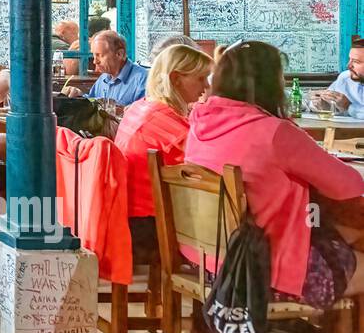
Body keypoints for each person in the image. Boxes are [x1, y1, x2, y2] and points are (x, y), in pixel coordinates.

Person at [186, 41, 364, 309]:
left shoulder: (199, 122)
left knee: (345, 231)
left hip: (210, 261)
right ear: (270, 83)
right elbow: (349, 186)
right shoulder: (274, 132)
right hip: (267, 270)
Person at [113, 44, 213, 262]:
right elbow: (207, 166)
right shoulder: (169, 125)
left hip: (126, 220)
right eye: (201, 78)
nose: (206, 86)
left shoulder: (142, 107)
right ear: (176, 78)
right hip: (149, 228)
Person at [68, 30, 147, 107]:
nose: (95, 61)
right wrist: (80, 95)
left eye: (99, 55)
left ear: (119, 54)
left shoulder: (143, 80)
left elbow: (145, 113)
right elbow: (93, 102)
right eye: (93, 55)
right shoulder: (104, 77)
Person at [316, 36, 364, 118]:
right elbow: (332, 106)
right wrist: (325, 105)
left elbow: (346, 108)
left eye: (356, 61)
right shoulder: (345, 78)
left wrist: (348, 106)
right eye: (350, 59)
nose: (348, 66)